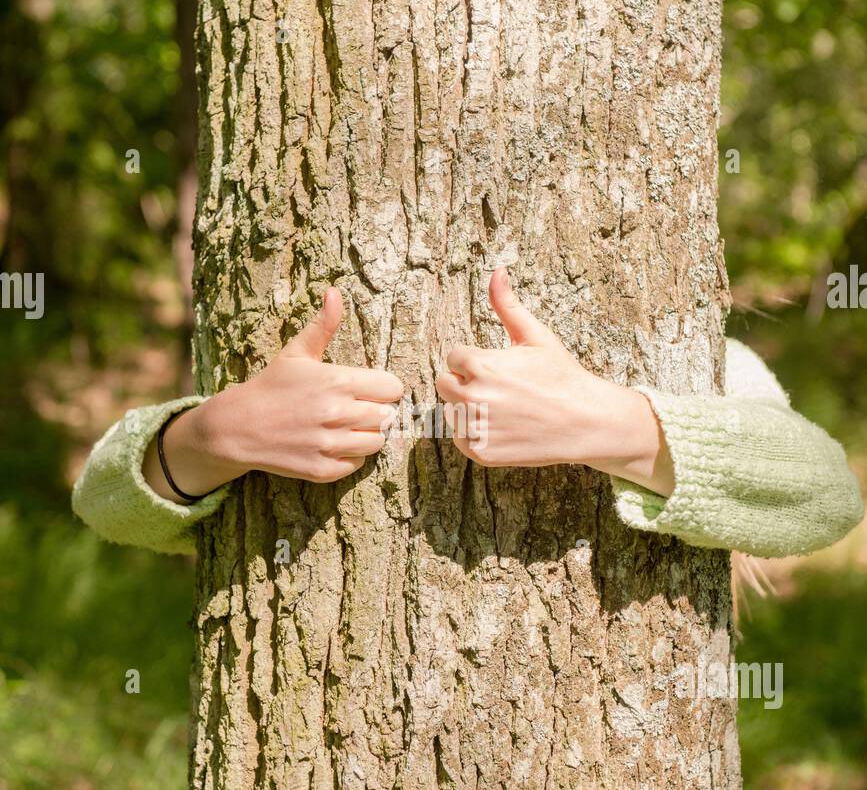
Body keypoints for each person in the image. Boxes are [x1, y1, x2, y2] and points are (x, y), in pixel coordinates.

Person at [72, 268, 864, 560]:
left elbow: (827, 497)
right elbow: (104, 504)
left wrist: (610, 425)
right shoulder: (265, 361)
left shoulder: (693, 358)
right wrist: (211, 438)